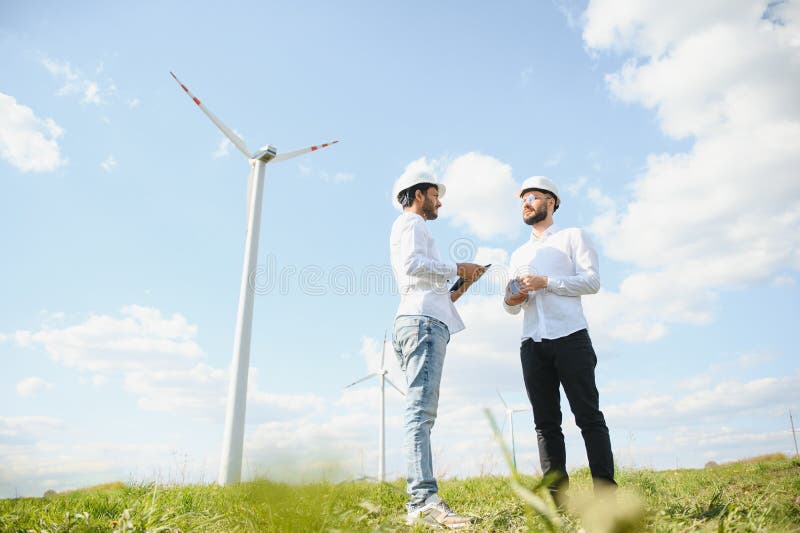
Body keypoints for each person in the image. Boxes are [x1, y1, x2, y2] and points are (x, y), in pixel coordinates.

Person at [503, 175, 616, 505]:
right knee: (545, 424)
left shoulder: (573, 236)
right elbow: (510, 305)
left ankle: (606, 499)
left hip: (571, 337)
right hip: (531, 343)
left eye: (532, 197)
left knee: (589, 418)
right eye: (522, 200)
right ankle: (557, 503)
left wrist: (546, 282)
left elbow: (592, 282)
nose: (525, 204)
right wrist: (512, 298)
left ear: (550, 201)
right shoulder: (518, 253)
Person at [389, 169, 485, 528]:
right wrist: (458, 266)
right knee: (420, 413)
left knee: (420, 411)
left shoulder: (413, 227)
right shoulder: (412, 223)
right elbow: (414, 266)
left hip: (422, 320)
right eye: (435, 194)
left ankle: (422, 501)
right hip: (422, 323)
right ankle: (423, 502)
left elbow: (428, 285)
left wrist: (463, 282)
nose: (439, 202)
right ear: (418, 195)